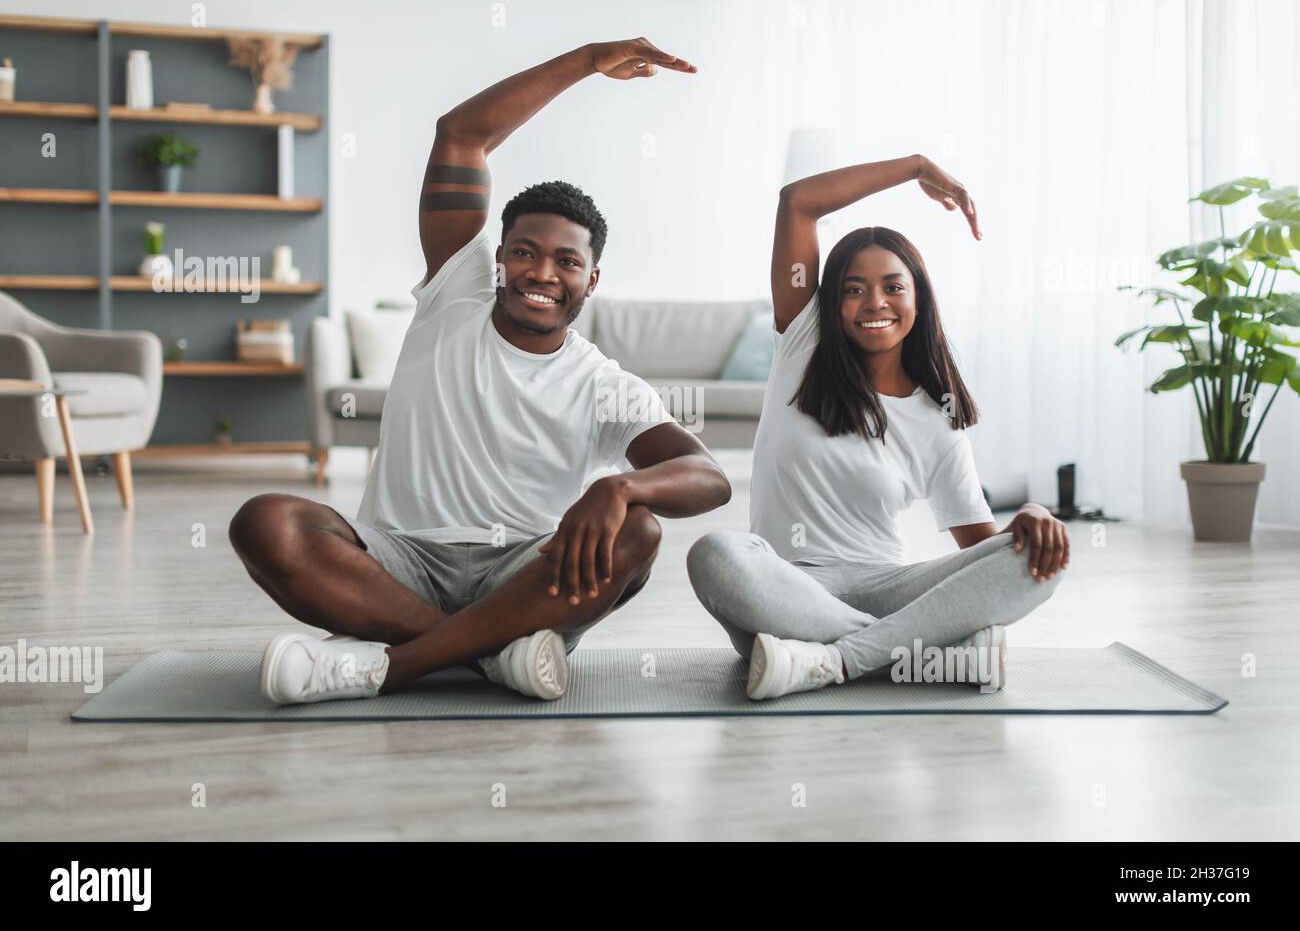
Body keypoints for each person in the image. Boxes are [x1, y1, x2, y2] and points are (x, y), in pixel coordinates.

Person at [230, 39, 731, 705]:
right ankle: (494, 656)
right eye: (524, 251)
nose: (542, 273)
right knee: (267, 523)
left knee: (638, 530)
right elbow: (461, 135)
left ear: (592, 278)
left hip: (526, 574)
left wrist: (620, 490)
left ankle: (395, 665)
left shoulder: (603, 383)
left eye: (566, 261)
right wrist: (585, 62)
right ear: (496, 259)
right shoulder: (453, 293)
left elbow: (711, 479)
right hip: (398, 561)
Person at [687, 154, 1069, 700]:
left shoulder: (937, 418)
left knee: (1042, 558)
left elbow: (978, 550)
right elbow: (798, 202)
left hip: (889, 589)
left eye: (893, 287)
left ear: (918, 297)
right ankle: (918, 656)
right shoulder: (804, 341)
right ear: (832, 301)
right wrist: (914, 168)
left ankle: (830, 662)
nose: (874, 303)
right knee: (716, 555)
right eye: (852, 289)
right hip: (788, 590)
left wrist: (1031, 518)